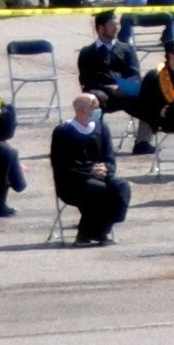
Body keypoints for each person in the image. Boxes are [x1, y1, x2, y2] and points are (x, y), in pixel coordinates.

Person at [52, 89, 128, 245]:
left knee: (120, 186)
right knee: (98, 189)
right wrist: (90, 171)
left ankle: (102, 230)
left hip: (100, 175)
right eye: (94, 106)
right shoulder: (64, 132)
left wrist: (106, 169)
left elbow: (109, 157)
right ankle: (84, 235)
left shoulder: (101, 128)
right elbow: (62, 164)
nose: (98, 110)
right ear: (81, 110)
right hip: (73, 182)